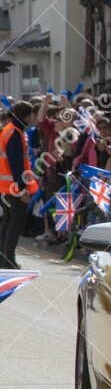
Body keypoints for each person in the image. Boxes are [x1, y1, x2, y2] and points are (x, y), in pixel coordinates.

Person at [0, 101, 36, 269]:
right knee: (16, 222)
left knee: (7, 221)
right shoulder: (15, 133)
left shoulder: (8, 130)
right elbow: (16, 164)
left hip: (5, 186)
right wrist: (22, 189)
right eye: (32, 115)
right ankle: (8, 259)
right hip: (13, 187)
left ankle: (3, 259)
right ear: (27, 116)